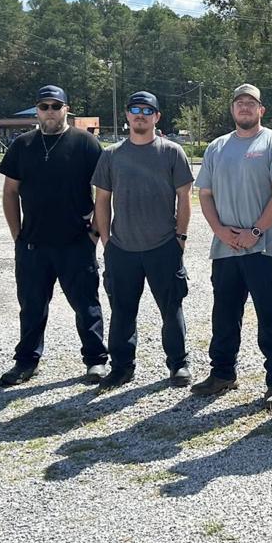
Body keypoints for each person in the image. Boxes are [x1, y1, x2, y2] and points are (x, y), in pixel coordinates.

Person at [192, 84, 272, 408]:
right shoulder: (217, 147)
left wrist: (255, 231)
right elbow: (205, 194)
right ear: (232, 110)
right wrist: (220, 231)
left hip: (262, 249)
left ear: (261, 110)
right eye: (239, 103)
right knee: (224, 315)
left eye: (251, 103)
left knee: (269, 316)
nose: (245, 107)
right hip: (225, 250)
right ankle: (223, 373)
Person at [0, 85, 108, 386]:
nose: (49, 112)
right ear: (37, 110)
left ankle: (95, 360)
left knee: (86, 304)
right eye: (44, 106)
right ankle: (26, 361)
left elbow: (104, 192)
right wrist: (16, 233)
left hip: (76, 243)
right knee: (32, 306)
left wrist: (96, 232)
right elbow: (10, 192)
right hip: (33, 245)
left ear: (66, 109)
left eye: (55, 106)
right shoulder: (22, 145)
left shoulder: (86, 144)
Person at [92, 91, 194, 391]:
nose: (141, 114)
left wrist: (181, 238)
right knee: (122, 312)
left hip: (164, 246)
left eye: (147, 110)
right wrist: (107, 241)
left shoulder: (172, 152)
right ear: (127, 115)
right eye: (135, 109)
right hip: (122, 249)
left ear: (157, 117)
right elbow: (102, 202)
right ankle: (122, 368)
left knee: (171, 309)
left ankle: (179, 364)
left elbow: (184, 199)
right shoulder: (111, 155)